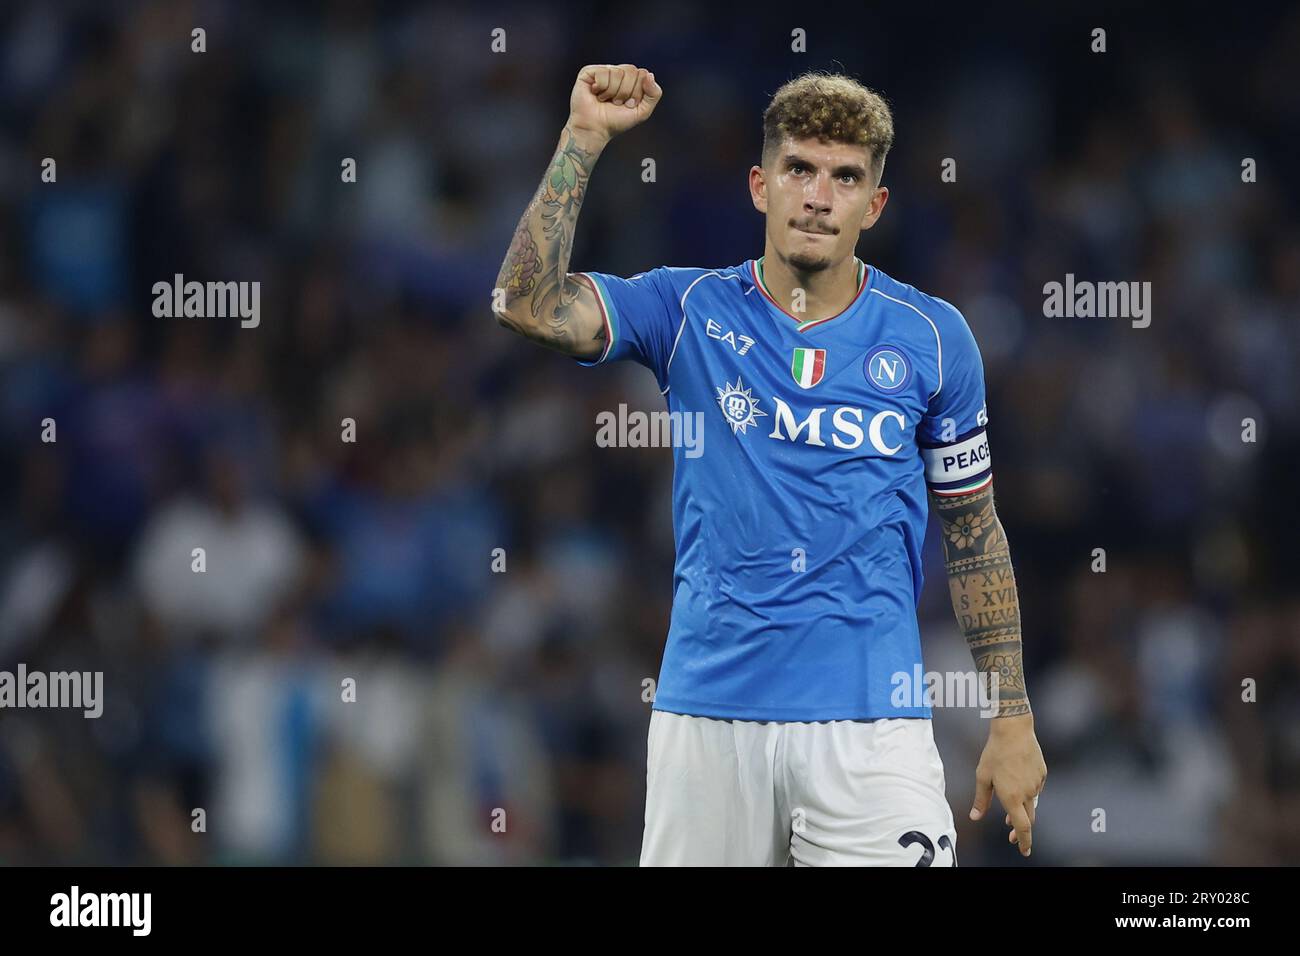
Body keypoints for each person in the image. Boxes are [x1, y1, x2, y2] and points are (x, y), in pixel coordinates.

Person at [493, 64, 1046, 865]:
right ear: (761, 185)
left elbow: (972, 532)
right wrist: (582, 139)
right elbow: (523, 304)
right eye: (800, 170)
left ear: (874, 204)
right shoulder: (686, 310)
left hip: (872, 732)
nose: (819, 196)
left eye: (845, 177)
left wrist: (1013, 716)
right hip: (707, 720)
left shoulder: (934, 339)